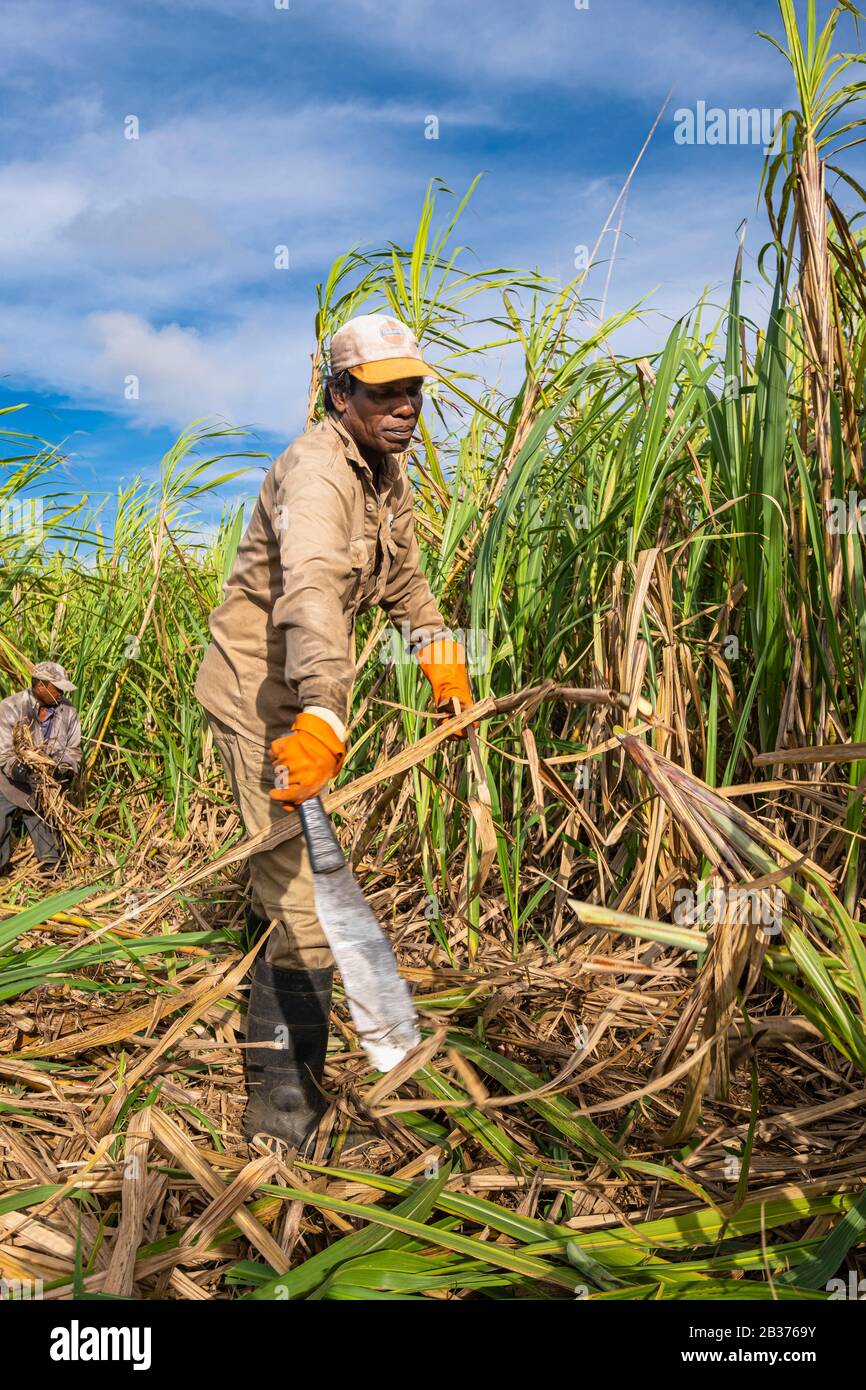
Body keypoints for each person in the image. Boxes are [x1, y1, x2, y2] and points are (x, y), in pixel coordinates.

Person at [196, 312, 477, 1146]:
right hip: (263, 697)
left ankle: (264, 957)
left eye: (413, 389)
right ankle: (284, 1118)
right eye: (384, 390)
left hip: (304, 697)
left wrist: (441, 658)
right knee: (307, 906)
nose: (404, 405)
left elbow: (408, 586)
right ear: (339, 391)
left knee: (295, 868)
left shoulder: (385, 474)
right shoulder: (318, 474)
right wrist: (322, 712)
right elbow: (312, 590)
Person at [0, 662, 81, 877]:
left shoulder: (68, 711)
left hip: (46, 785)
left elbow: (72, 749)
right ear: (40, 686)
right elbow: (5, 753)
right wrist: (21, 771)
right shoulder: (10, 707)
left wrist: (64, 770)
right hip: (8, 781)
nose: (61, 693)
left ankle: (53, 874)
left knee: (47, 830)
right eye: (57, 688)